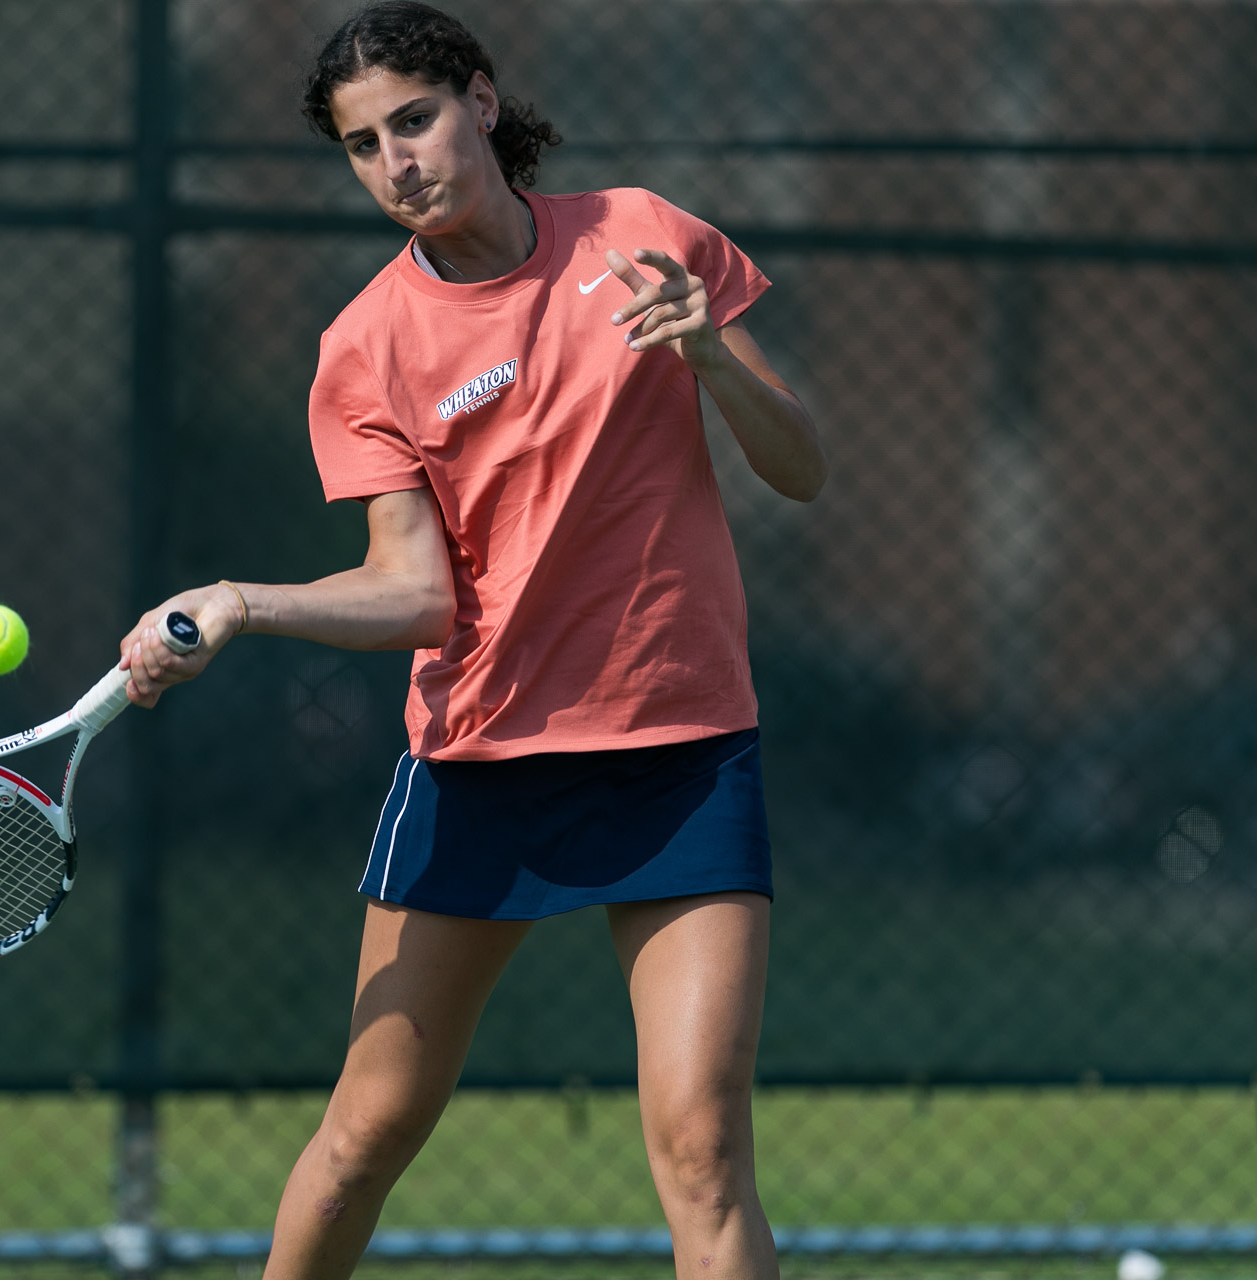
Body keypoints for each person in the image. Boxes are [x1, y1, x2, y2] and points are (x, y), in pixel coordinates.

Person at [118, 4, 826, 1276]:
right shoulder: (366, 345)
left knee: (706, 1151)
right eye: (360, 144)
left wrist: (714, 358)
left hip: (683, 750)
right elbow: (418, 595)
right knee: (368, 1130)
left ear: (482, 103)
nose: (395, 159)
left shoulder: (647, 240)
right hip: (480, 764)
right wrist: (240, 599)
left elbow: (803, 467)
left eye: (414, 118)